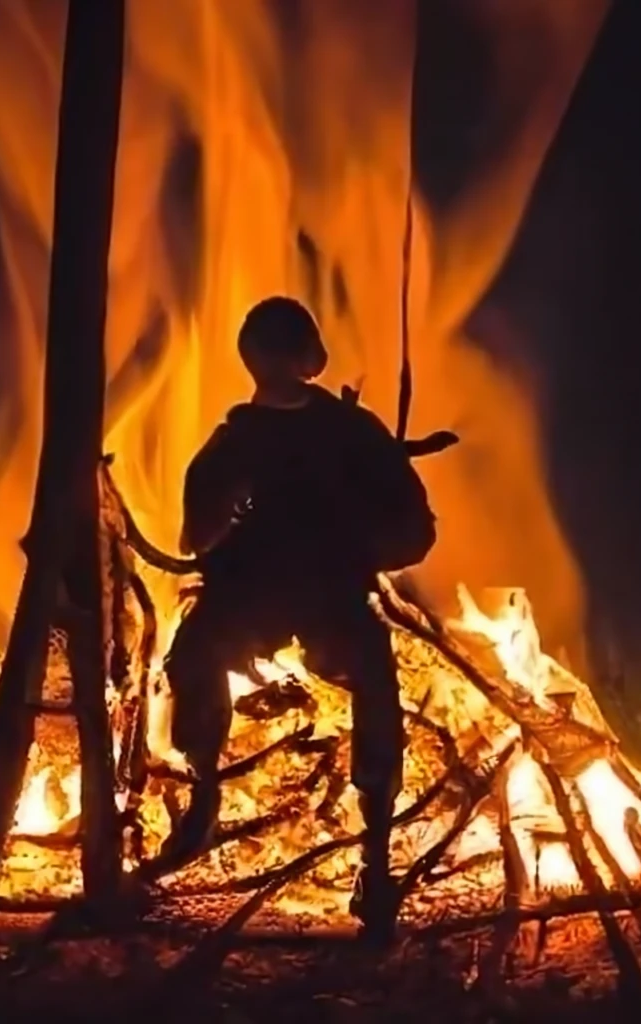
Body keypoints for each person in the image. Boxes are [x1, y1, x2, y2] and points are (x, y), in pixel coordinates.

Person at [162, 296, 436, 938]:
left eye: (291, 349)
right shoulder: (231, 444)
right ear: (255, 360)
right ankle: (204, 793)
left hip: (330, 597)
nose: (284, 362)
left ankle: (374, 853)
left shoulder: (352, 433)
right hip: (248, 601)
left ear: (309, 357)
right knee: (194, 654)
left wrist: (368, 541)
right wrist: (228, 515)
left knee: (373, 671)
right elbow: (193, 540)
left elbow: (415, 529)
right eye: (273, 351)